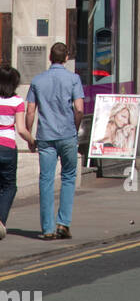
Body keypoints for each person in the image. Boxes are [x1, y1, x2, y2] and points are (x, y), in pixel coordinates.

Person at [25, 42, 84, 241]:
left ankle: (48, 228)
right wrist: (74, 129)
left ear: (50, 57)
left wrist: (29, 136)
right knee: (68, 177)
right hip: (67, 134)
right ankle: (63, 223)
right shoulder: (74, 79)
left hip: (46, 136)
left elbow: (31, 110)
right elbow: (79, 109)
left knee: (46, 180)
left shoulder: (38, 80)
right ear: (66, 58)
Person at [0, 65, 37, 240]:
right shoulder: (17, 101)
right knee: (9, 186)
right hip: (7, 147)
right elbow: (21, 129)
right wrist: (32, 141)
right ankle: (1, 220)